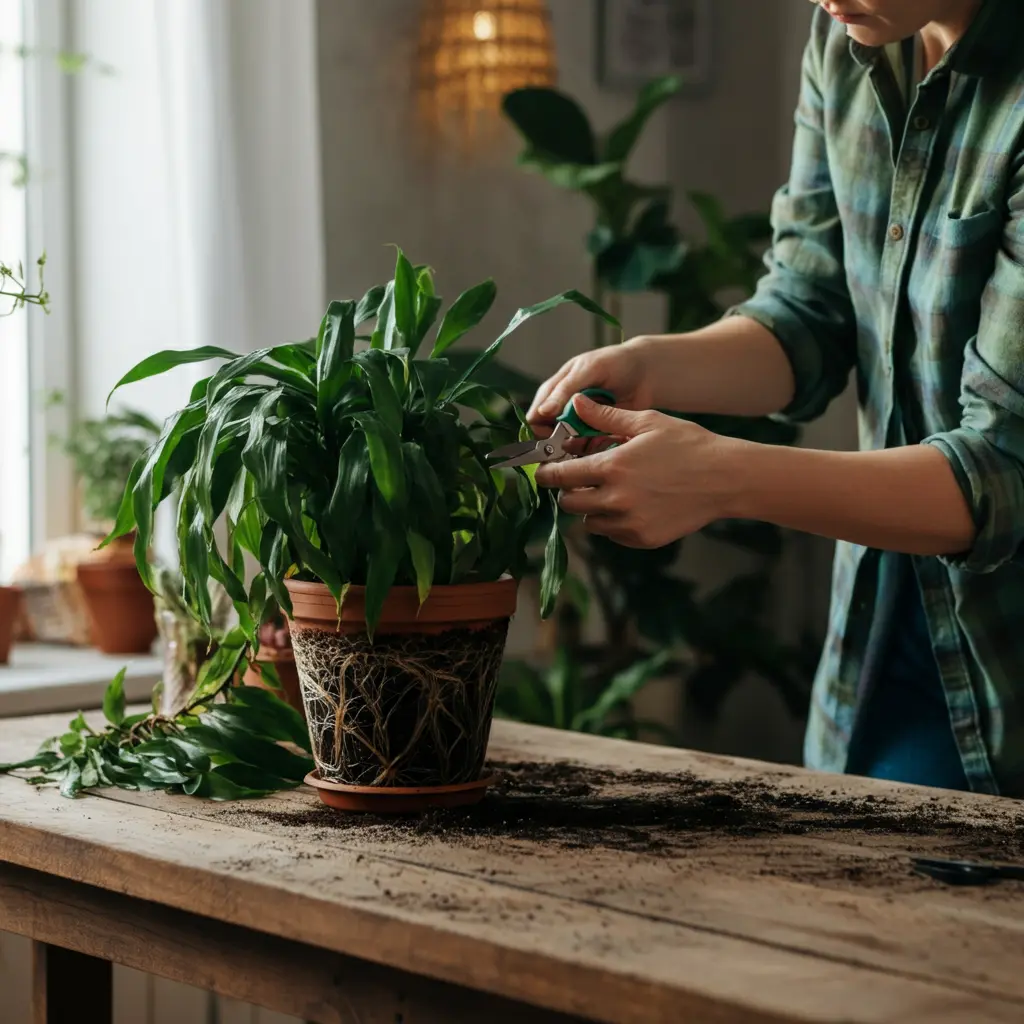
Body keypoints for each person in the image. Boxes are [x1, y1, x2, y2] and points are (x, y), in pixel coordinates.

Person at [527, 0, 1024, 797]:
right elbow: (809, 311)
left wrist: (720, 478)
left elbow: (1001, 472)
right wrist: (653, 365)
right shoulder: (849, 37)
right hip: (873, 647)